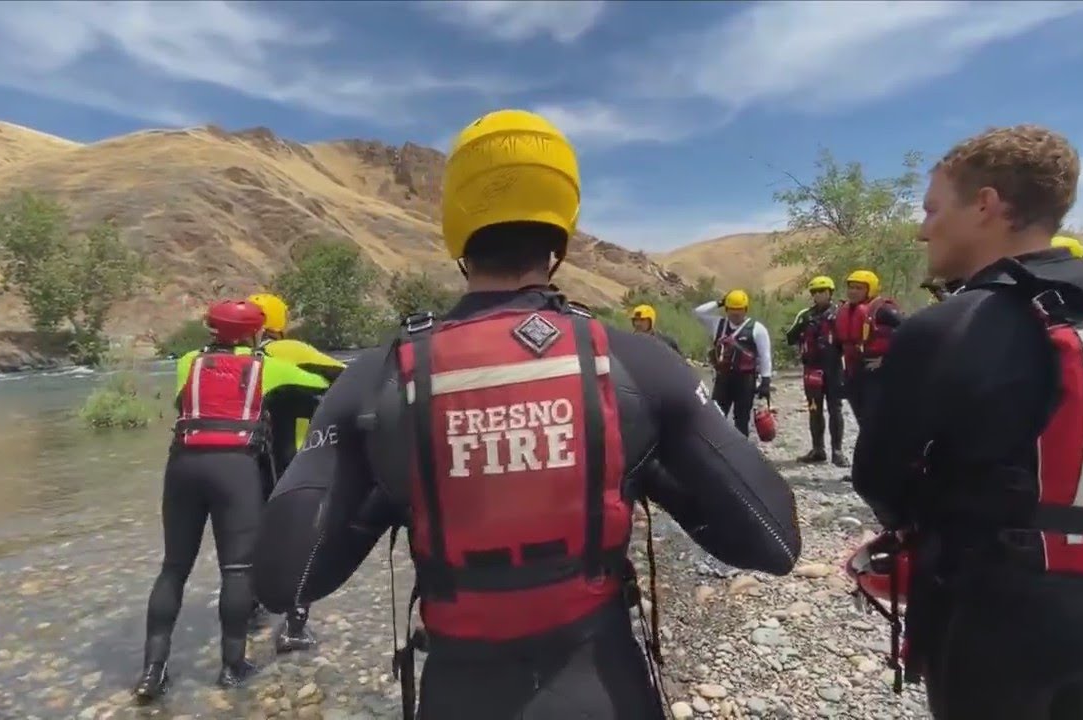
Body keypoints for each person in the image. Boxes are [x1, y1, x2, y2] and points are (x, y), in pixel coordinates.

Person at [251, 109, 802, 720]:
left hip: (459, 695)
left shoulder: (376, 378)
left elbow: (282, 579)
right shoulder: (638, 363)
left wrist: (391, 488)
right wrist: (643, 469)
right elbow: (774, 541)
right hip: (604, 687)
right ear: (561, 234)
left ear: (457, 230)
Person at [852, 124, 1083, 719]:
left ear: (985, 205)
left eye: (932, 208)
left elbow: (876, 478)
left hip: (1000, 619)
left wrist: (912, 528)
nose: (923, 228)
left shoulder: (950, 326)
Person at [133, 300, 330, 702]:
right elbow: (323, 387)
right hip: (235, 471)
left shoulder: (188, 362)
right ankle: (232, 667)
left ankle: (152, 672)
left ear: (210, 329)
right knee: (237, 570)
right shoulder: (266, 367)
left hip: (183, 468)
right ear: (256, 333)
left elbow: (183, 404)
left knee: (173, 569)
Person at [245, 292, 347, 653]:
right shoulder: (290, 351)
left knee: (254, 534)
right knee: (303, 542)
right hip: (294, 460)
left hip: (250, 461)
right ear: (279, 321)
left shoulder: (239, 357)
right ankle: (294, 626)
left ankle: (249, 609)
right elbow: (347, 375)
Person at [784, 275, 847, 466]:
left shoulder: (841, 314)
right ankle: (818, 449)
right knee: (814, 409)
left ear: (830, 292)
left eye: (823, 291)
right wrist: (804, 325)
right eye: (815, 292)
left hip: (834, 368)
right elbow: (790, 337)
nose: (819, 295)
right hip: (812, 369)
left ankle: (837, 451)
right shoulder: (805, 315)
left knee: (835, 409)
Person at [693, 289, 774, 436]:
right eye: (731, 309)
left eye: (739, 309)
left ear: (746, 309)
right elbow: (698, 312)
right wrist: (720, 302)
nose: (735, 313)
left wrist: (766, 381)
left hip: (745, 381)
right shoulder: (718, 324)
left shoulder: (757, 329)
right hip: (723, 379)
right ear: (726, 309)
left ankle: (741, 453)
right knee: (716, 417)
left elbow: (765, 356)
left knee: (741, 419)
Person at [833, 269, 903, 425]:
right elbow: (837, 346)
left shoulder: (883, 310)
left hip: (876, 373)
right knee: (862, 420)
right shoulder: (843, 312)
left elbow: (908, 331)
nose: (853, 292)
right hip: (853, 372)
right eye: (851, 287)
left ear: (870, 289)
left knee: (877, 420)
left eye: (859, 288)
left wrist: (886, 359)